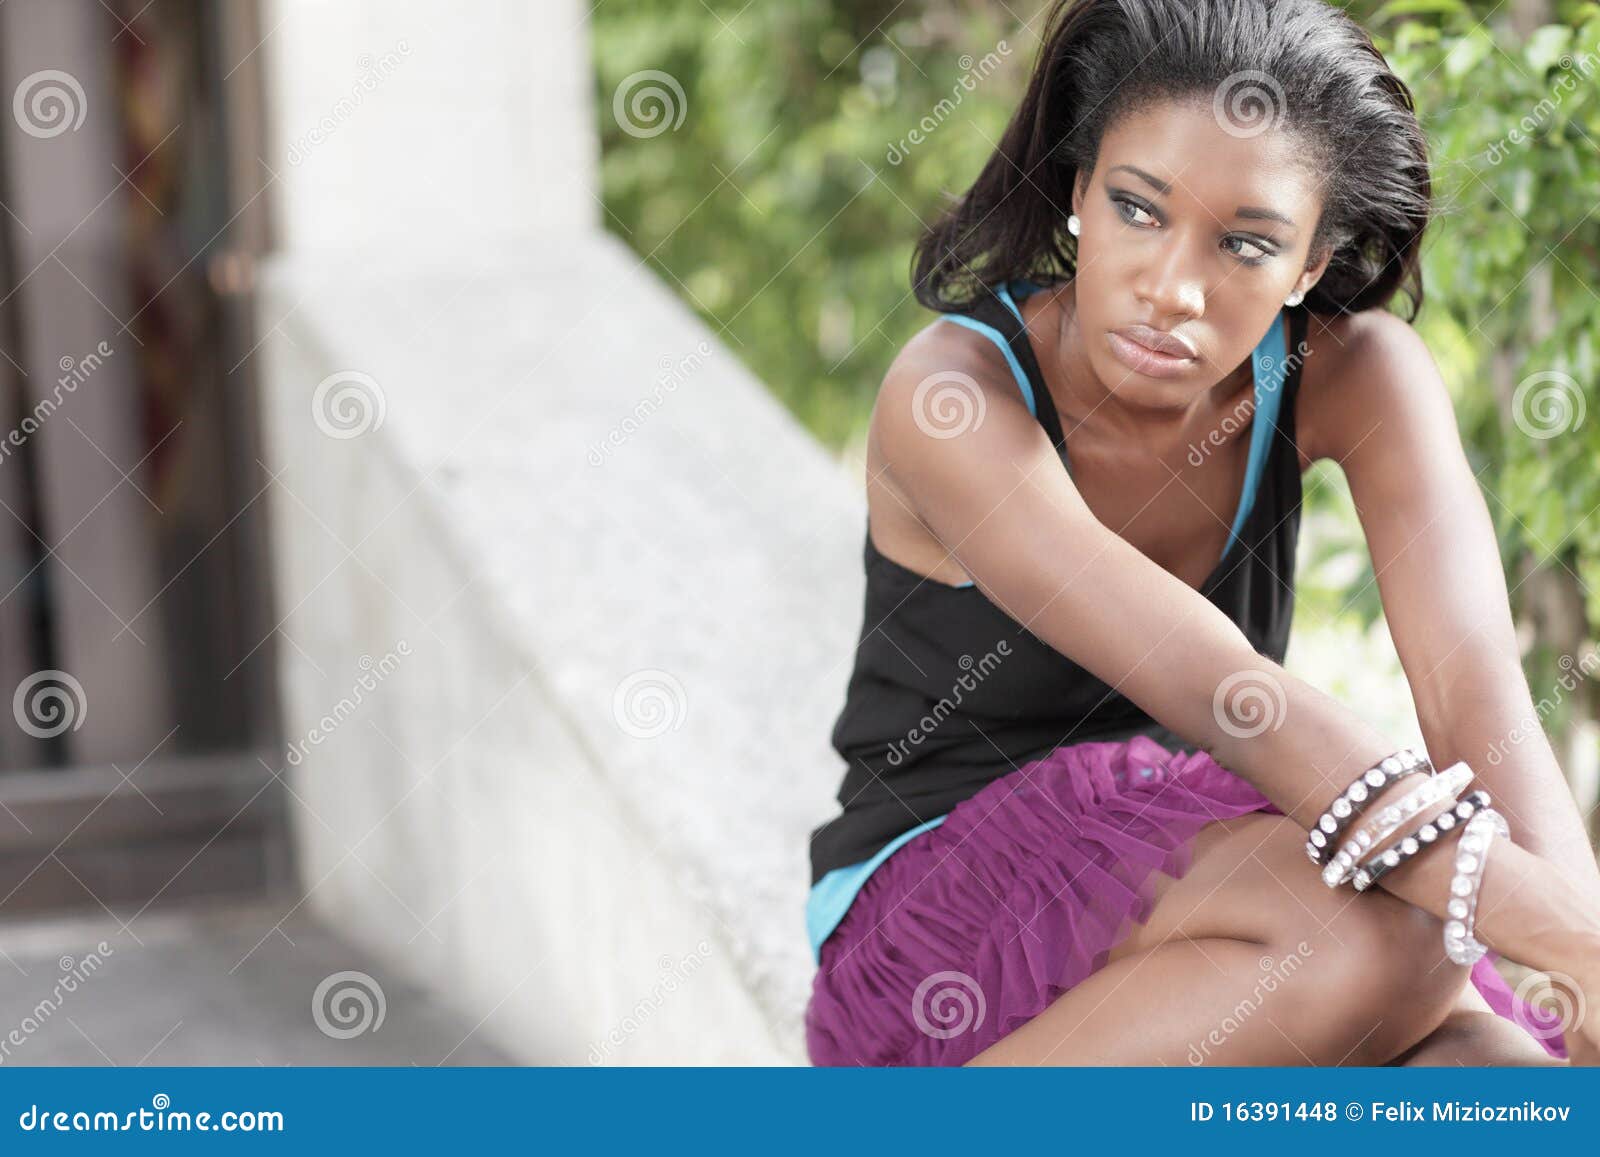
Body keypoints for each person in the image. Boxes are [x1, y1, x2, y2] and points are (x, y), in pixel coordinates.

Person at [803, 0, 1600, 1067]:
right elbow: (1235, 699)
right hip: (939, 927)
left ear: (1310, 267)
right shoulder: (954, 395)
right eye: (1137, 208)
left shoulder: (1354, 374)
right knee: (1396, 943)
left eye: (1245, 243)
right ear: (1079, 188)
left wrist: (1575, 991)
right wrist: (1574, 943)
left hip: (1225, 910)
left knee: (1496, 1072)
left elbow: (1475, 697)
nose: (1172, 288)